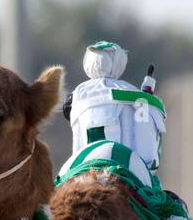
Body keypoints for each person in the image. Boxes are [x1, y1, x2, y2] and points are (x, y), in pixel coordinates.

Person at [62, 41, 165, 170]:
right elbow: (147, 138)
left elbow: (67, 111)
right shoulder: (134, 93)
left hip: (79, 166)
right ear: (119, 62)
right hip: (125, 165)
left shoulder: (77, 93)